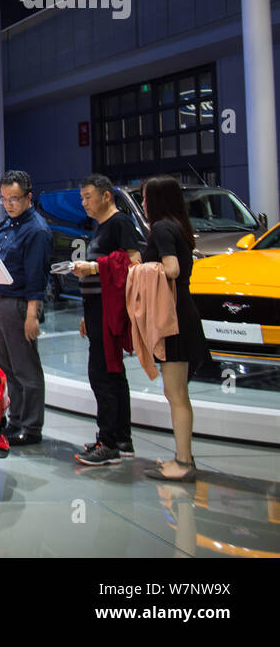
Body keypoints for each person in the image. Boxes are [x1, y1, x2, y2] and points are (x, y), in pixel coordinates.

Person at [139, 175, 209, 482]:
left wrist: (139, 270)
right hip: (182, 312)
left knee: (176, 393)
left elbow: (171, 269)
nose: (142, 204)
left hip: (174, 317)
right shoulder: (177, 225)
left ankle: (183, 462)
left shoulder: (162, 227)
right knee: (176, 392)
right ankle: (183, 458)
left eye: (144, 198)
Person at [69, 174, 142, 465]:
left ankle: (108, 443)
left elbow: (134, 262)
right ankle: (121, 439)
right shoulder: (102, 227)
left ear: (106, 196)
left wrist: (94, 266)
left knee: (102, 374)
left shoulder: (120, 223)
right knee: (112, 373)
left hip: (109, 310)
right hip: (97, 309)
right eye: (83, 197)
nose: (84, 202)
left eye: (88, 196)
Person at [0, 169, 50, 446]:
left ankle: (31, 427)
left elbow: (36, 278)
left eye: (15, 199)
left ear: (29, 197)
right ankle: (16, 419)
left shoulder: (37, 230)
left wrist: (33, 314)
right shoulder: (8, 225)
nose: (8, 204)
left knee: (25, 368)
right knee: (7, 367)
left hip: (20, 305)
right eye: (4, 199)